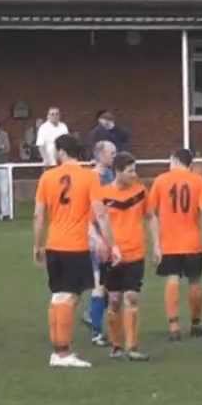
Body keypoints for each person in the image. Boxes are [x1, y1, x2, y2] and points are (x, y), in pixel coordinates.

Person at [33, 134, 115, 369]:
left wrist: (37, 245)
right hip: (75, 245)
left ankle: (58, 350)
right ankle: (62, 352)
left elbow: (39, 215)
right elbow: (100, 213)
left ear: (61, 152)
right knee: (69, 297)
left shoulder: (47, 177)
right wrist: (110, 243)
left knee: (59, 295)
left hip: (54, 244)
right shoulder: (89, 176)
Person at [148, 148, 202, 341]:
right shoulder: (198, 181)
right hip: (192, 240)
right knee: (195, 280)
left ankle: (174, 326)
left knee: (172, 278)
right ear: (190, 164)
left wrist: (156, 243)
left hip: (168, 241)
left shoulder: (161, 180)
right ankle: (196, 324)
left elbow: (151, 213)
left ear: (175, 160)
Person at [97, 151, 151, 361]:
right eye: (130, 171)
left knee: (131, 297)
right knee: (114, 300)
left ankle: (132, 347)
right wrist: (102, 244)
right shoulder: (103, 194)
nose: (134, 174)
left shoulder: (140, 191)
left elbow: (150, 216)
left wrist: (157, 244)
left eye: (134, 170)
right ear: (117, 172)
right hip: (112, 257)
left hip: (135, 253)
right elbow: (93, 223)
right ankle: (116, 345)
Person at [83, 140, 119, 343]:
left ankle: (91, 314)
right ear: (100, 155)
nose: (114, 156)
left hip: (110, 234)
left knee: (109, 284)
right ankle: (96, 333)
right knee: (99, 284)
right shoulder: (92, 177)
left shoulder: (111, 176)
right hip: (96, 236)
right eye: (111, 153)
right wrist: (95, 237)